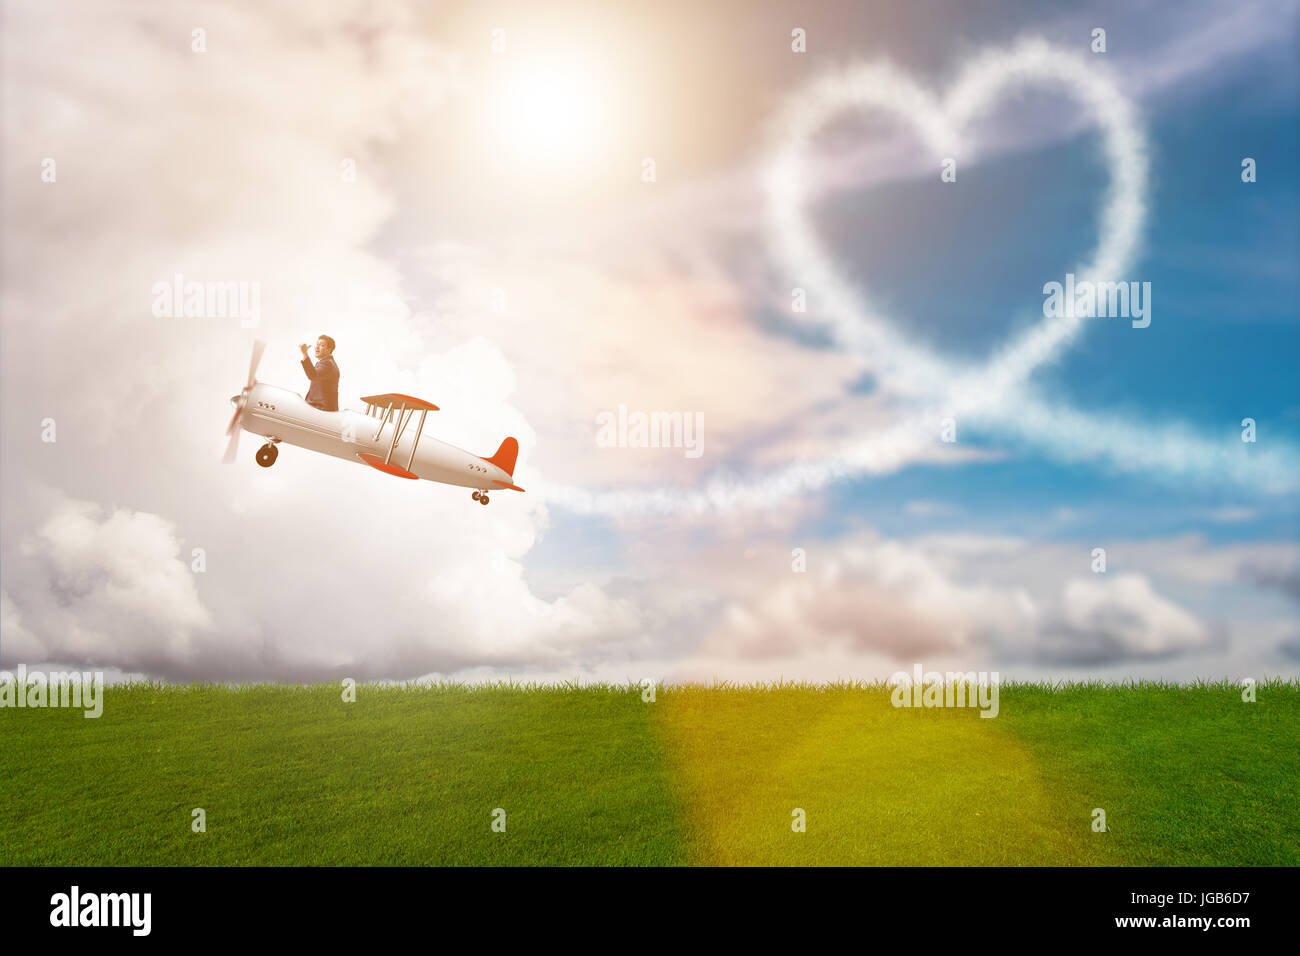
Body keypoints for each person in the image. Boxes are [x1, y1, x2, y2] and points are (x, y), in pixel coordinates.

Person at [299, 335, 340, 411]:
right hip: (320, 409)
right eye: (317, 344)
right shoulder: (326, 362)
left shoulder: (327, 364)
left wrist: (304, 353)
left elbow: (312, 375)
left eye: (321, 345)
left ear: (329, 349)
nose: (317, 347)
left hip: (321, 410)